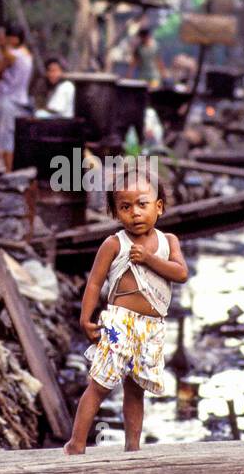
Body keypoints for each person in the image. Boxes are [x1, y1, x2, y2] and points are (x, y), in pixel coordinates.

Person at [65, 173, 187, 454]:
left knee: (136, 389)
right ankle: (77, 444)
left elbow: (181, 273)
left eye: (142, 204)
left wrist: (150, 259)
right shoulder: (114, 244)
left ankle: (132, 447)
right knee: (100, 384)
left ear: (159, 207)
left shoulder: (168, 241)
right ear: (115, 213)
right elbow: (94, 283)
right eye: (125, 207)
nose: (135, 213)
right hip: (119, 323)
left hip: (152, 326)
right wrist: (86, 318)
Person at [0, 24, 32, 171]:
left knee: (6, 137)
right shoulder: (27, 54)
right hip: (21, 100)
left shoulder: (13, 55)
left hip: (9, 100)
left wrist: (2, 47)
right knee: (13, 136)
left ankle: (9, 170)